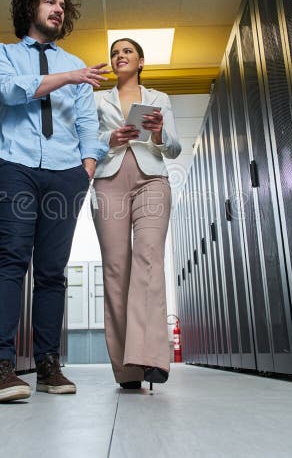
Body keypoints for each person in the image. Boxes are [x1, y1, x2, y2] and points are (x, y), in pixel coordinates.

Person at [0, 0, 109, 403]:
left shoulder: (76, 65)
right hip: (15, 165)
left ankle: (48, 364)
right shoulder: (0, 54)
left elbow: (88, 123)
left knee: (52, 272)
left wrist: (87, 165)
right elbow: (11, 91)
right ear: (30, 5)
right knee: (11, 257)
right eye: (49, 1)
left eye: (61, 4)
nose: (57, 9)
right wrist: (67, 79)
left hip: (65, 174)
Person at [92, 38, 181, 390]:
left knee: (148, 258)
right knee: (116, 269)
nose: (119, 56)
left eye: (127, 52)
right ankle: (127, 370)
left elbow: (173, 148)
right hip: (109, 181)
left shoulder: (159, 99)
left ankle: (150, 357)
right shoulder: (99, 101)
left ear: (141, 61)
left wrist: (159, 133)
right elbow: (87, 142)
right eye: (114, 53)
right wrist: (110, 138)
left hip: (152, 181)